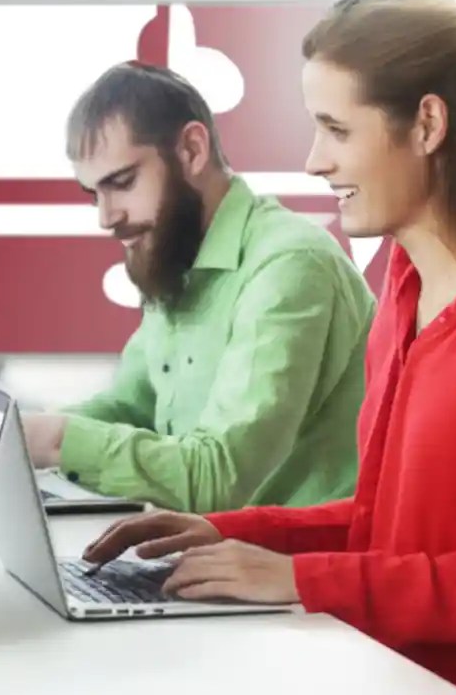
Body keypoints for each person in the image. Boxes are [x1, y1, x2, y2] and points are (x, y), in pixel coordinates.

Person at [83, 0, 456, 695]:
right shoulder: (402, 292)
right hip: (374, 669)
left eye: (337, 130)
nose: (314, 161)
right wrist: (230, 531)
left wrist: (304, 579)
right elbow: (387, 529)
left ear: (428, 123)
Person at [20, 61, 376, 513]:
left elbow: (219, 477)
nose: (106, 217)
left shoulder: (289, 266)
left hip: (296, 570)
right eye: (95, 194)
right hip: (213, 556)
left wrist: (52, 441)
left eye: (123, 183)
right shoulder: (178, 252)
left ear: (191, 150)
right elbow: (133, 405)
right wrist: (9, 435)